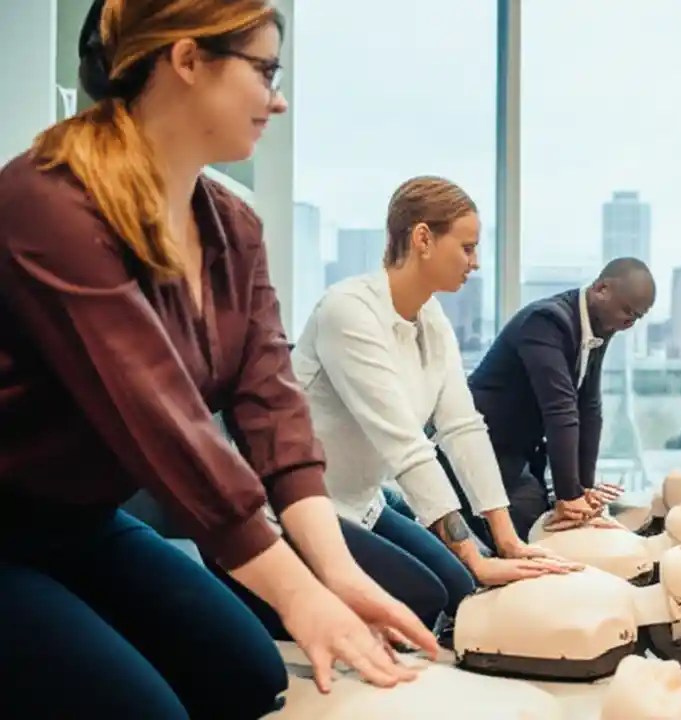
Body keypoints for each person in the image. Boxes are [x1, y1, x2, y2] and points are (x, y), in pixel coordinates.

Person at [0, 2, 437, 717]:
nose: (279, 96)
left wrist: (334, 574)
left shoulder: (232, 226)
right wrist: (298, 597)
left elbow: (272, 405)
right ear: (187, 60)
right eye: (264, 71)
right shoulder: (47, 201)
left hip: (82, 520)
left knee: (243, 673)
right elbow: (164, 419)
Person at [289, 175, 577, 628]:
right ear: (423, 238)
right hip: (303, 511)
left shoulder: (431, 317)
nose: (475, 262)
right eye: (466, 248)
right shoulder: (348, 312)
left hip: (363, 504)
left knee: (461, 588)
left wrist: (507, 542)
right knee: (431, 594)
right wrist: (473, 556)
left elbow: (462, 427)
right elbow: (406, 446)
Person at [464, 259, 656, 542]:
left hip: (519, 451)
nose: (628, 324)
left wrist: (583, 489)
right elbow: (561, 409)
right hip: (480, 448)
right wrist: (570, 495)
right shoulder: (545, 321)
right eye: (626, 311)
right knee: (535, 528)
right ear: (602, 288)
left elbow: (588, 407)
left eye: (636, 317)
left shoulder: (600, 326)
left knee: (556, 519)